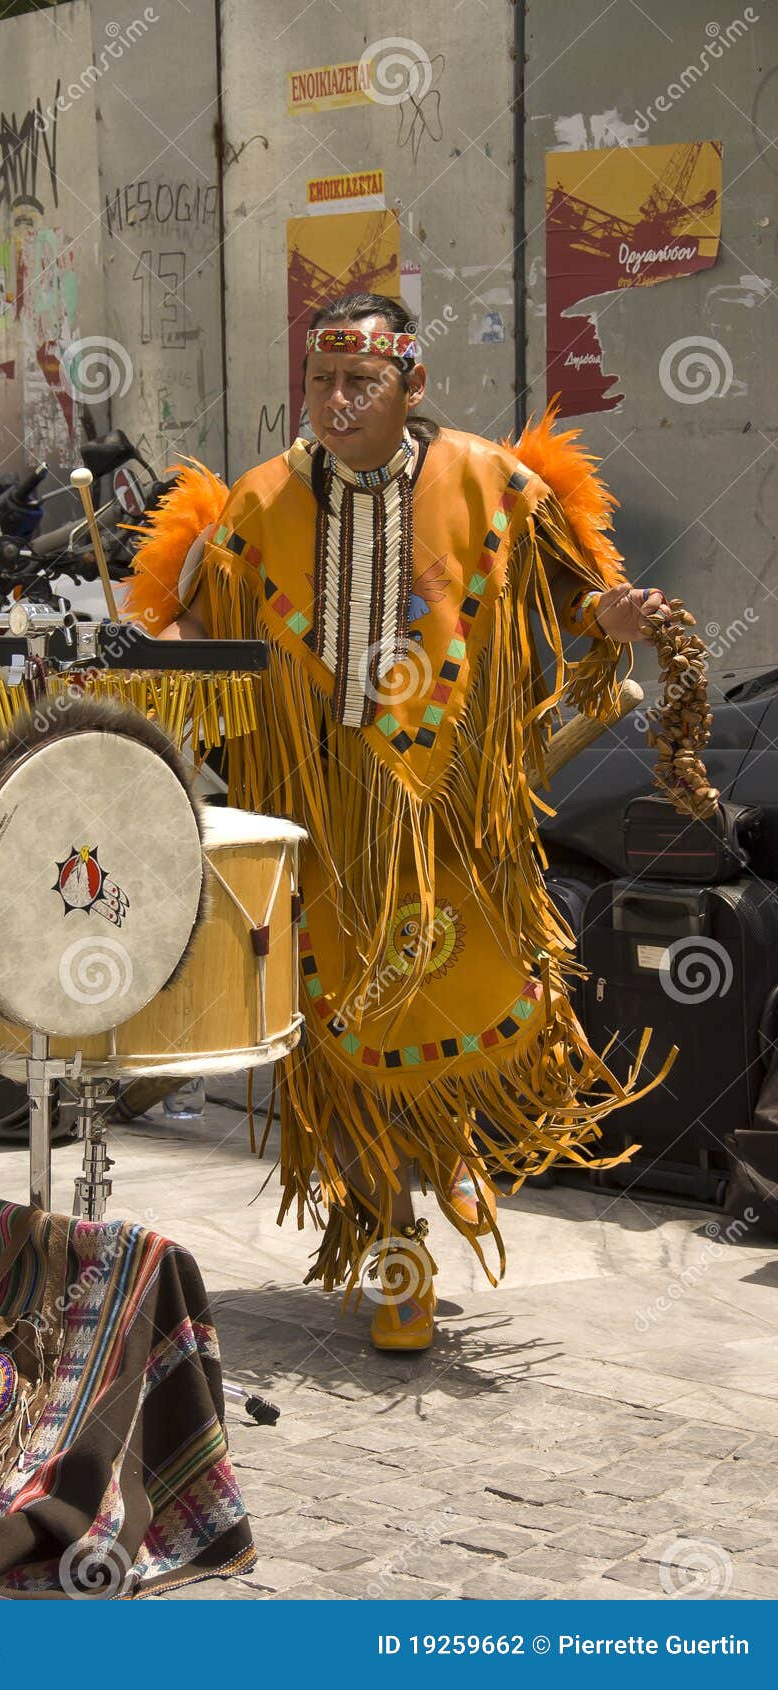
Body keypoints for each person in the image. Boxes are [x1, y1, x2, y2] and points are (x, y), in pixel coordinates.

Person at [125, 290, 675, 1352]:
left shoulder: (492, 483)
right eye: (320, 382)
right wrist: (162, 640)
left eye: (359, 382)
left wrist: (609, 617)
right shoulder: (254, 505)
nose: (335, 400)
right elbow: (197, 624)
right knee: (342, 1030)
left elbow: (571, 599)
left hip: (453, 803)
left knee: (469, 986)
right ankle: (391, 1248)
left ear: (410, 385)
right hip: (320, 803)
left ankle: (456, 1136)